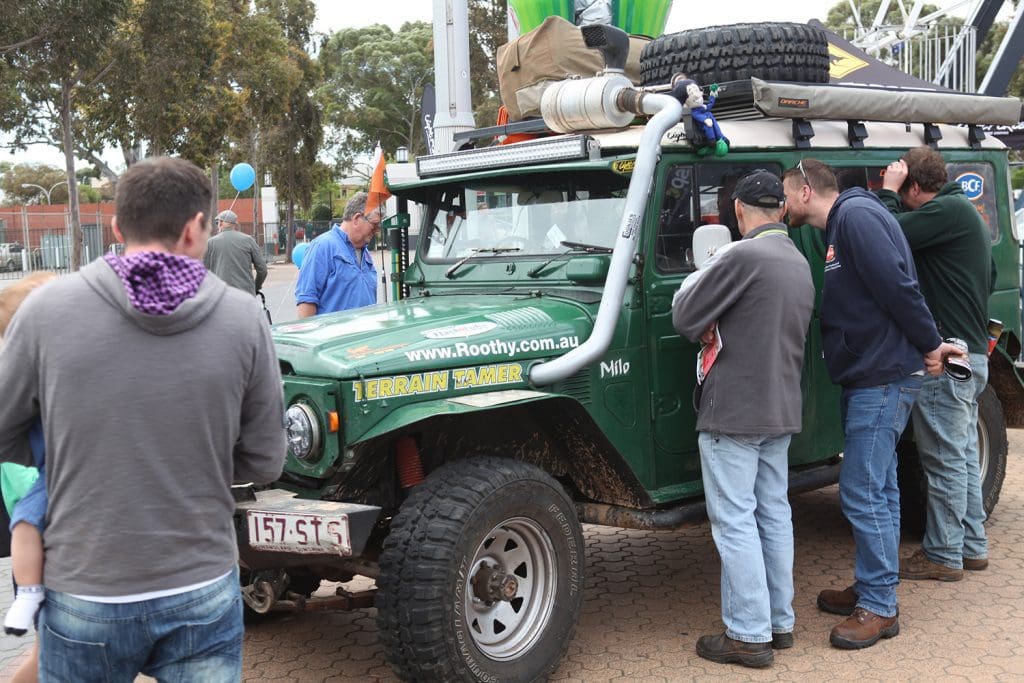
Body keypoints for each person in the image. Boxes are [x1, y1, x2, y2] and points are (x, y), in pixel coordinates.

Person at [0, 156, 287, 681]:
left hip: (83, 586)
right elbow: (266, 459)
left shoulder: (46, 310)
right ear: (196, 228)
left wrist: (58, 462)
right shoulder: (244, 319)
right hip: (199, 583)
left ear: (114, 225)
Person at [781, 158, 963, 650]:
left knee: (861, 489)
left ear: (804, 194)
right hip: (873, 375)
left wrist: (930, 343)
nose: (782, 205)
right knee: (879, 487)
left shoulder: (856, 218)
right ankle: (872, 583)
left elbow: (898, 286)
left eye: (785, 195)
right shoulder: (849, 220)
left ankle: (880, 607)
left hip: (882, 377)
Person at [672, 170, 814, 668]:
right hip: (779, 408)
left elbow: (686, 316)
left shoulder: (744, 255)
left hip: (733, 411)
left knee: (734, 522)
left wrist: (702, 269)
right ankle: (779, 624)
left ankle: (748, 635)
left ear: (737, 210)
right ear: (780, 208)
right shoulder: (796, 258)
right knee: (773, 515)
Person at [878, 146, 994, 580]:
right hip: (970, 354)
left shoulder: (945, 212)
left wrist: (887, 194)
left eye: (902, 189)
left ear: (914, 187)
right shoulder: (966, 215)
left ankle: (943, 555)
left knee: (943, 459)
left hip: (947, 359)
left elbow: (887, 233)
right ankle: (971, 546)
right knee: (961, 455)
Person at [0, 271, 56, 683]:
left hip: (50, 538)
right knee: (50, 655)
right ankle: (28, 593)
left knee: (48, 655)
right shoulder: (24, 386)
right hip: (47, 534)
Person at [295, 191, 379, 318]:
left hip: (364, 336)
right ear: (356, 219)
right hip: (335, 337)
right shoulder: (322, 247)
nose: (377, 231)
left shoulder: (364, 252)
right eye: (374, 225)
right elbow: (307, 303)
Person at [203, 209, 268, 296]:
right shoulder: (249, 240)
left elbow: (204, 271)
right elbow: (263, 270)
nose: (217, 225)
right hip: (246, 294)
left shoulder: (210, 243)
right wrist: (255, 287)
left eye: (217, 223)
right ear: (234, 225)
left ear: (221, 223)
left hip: (221, 296)